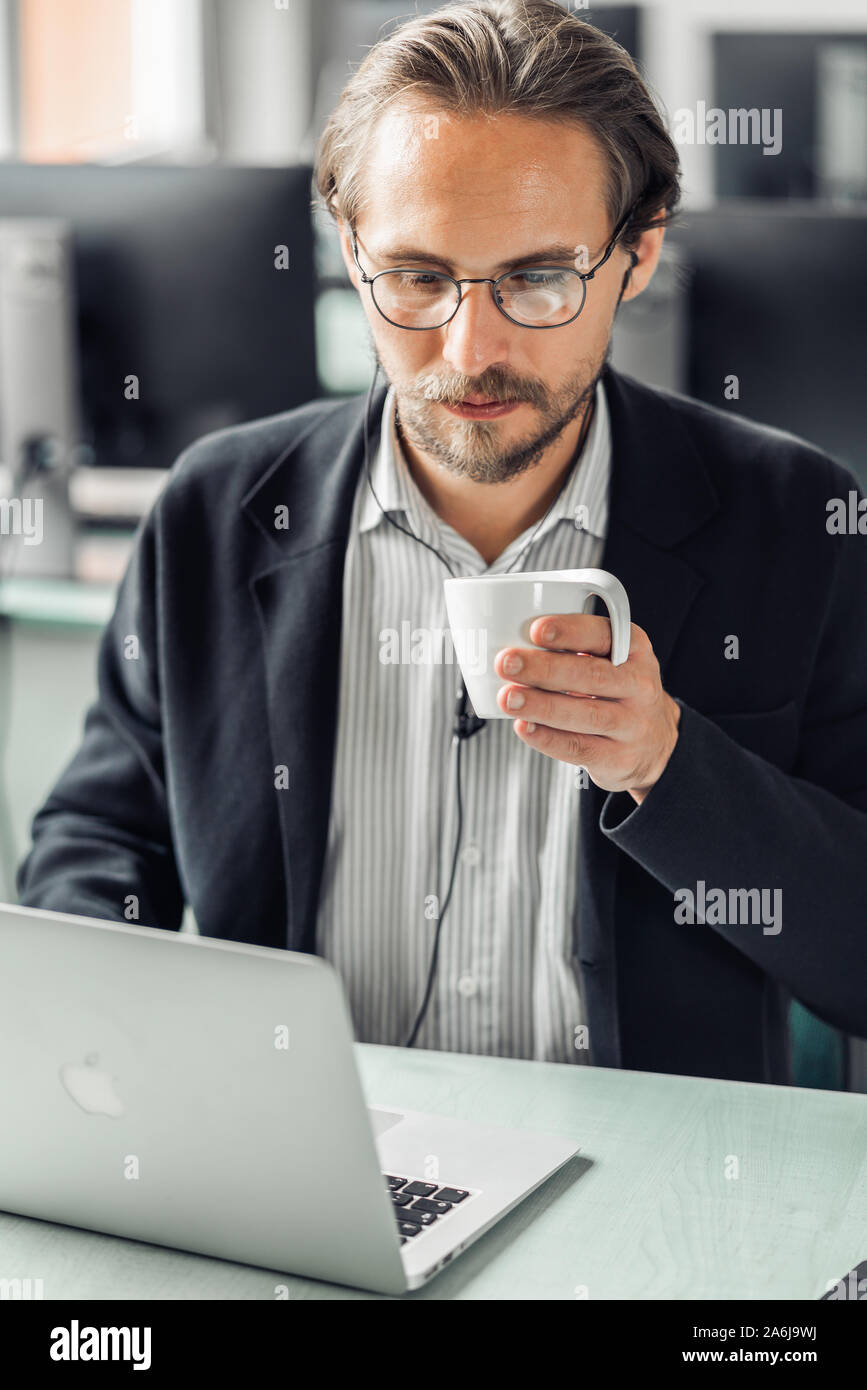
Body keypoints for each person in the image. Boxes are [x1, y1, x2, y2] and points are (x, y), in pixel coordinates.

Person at [17, 0, 867, 1083]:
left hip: (650, 1186)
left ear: (637, 252)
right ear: (350, 250)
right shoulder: (218, 510)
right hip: (306, 1155)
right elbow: (98, 835)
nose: (472, 350)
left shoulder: (795, 522)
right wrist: (110, 1034)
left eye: (538, 279)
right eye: (418, 278)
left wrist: (668, 765)